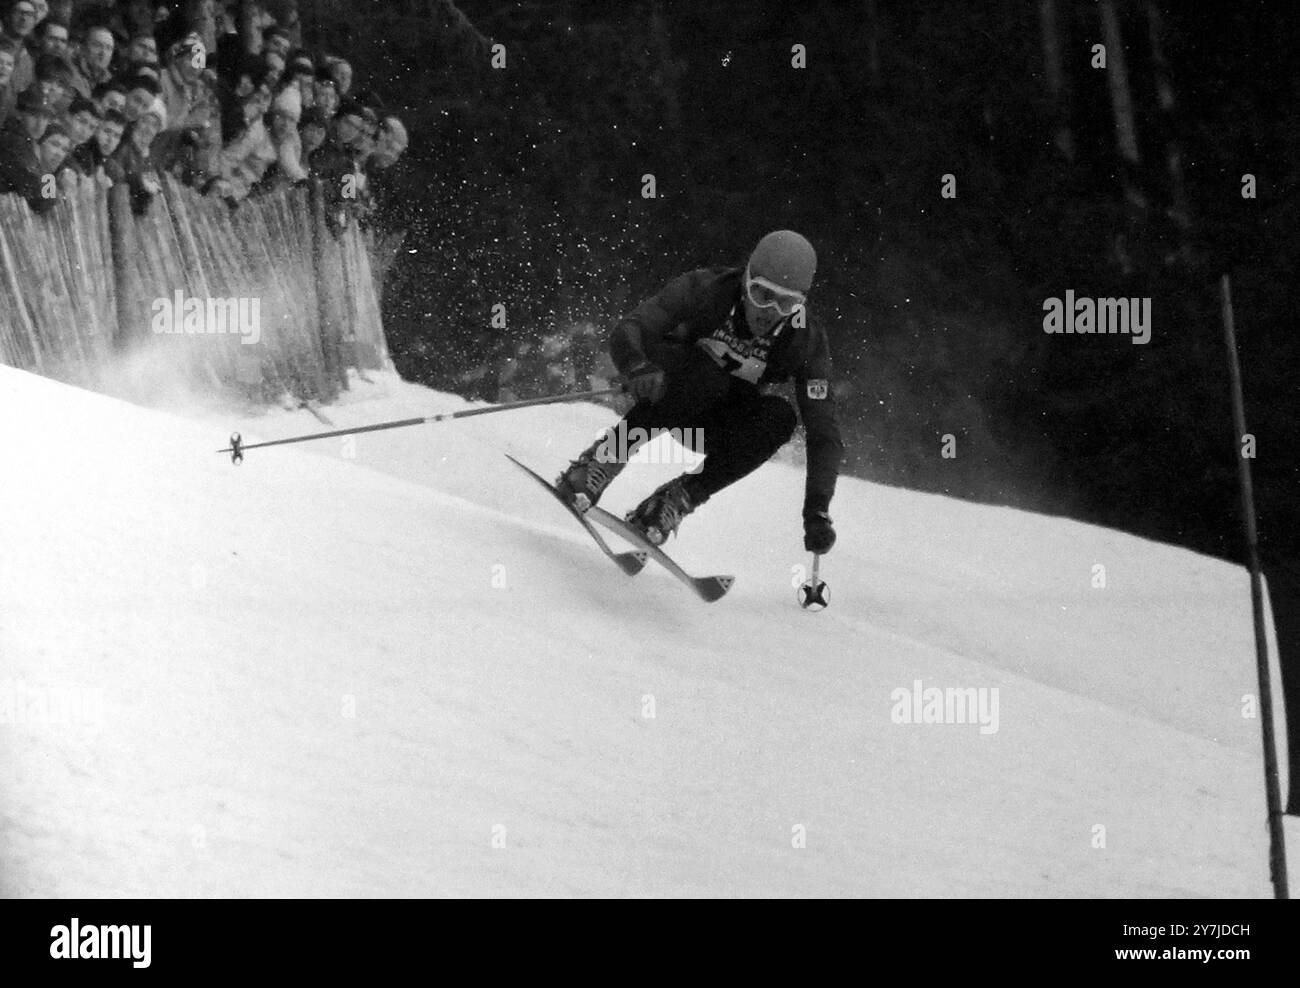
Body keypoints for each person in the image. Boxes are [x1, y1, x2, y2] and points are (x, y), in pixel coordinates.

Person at [554, 230, 843, 552]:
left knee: (781, 416)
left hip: (714, 425)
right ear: (746, 279)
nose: (769, 311)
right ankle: (602, 460)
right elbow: (633, 326)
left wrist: (817, 510)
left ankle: (675, 500)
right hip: (669, 394)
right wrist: (636, 365)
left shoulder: (805, 340)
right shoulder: (707, 289)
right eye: (761, 294)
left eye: (786, 303)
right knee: (710, 375)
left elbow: (824, 433)